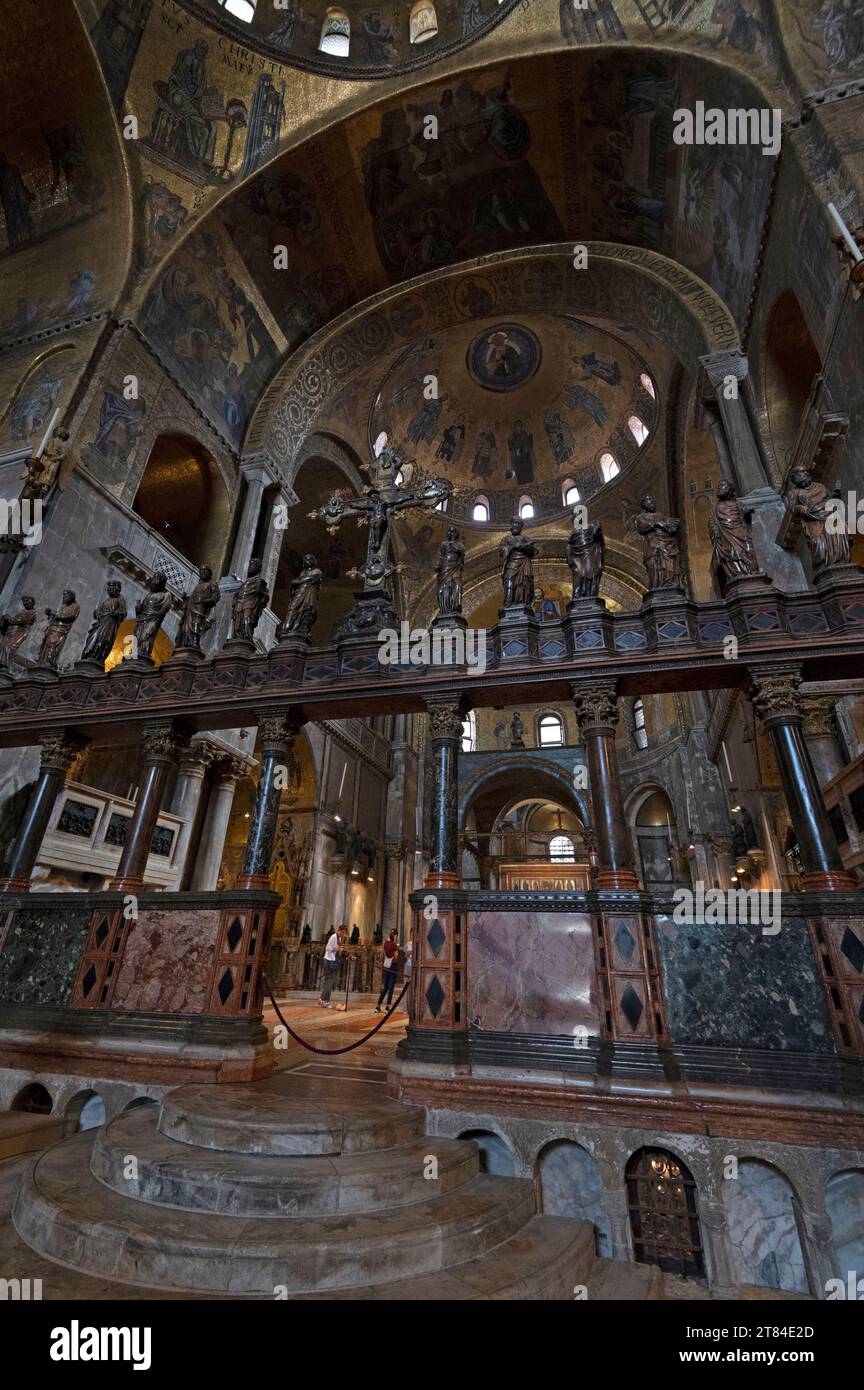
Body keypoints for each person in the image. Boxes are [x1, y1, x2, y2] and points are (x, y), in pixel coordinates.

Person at [319, 924, 346, 1008]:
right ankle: (325, 1001)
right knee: (329, 981)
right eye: (342, 932)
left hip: (332, 960)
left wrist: (342, 950)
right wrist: (338, 949)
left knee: (329, 981)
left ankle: (322, 999)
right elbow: (328, 948)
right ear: (339, 930)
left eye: (344, 933)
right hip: (328, 960)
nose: (343, 934)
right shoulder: (333, 937)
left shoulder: (340, 938)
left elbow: (337, 950)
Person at [375, 930, 400, 1013]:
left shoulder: (385, 943)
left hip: (386, 966)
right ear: (395, 936)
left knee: (385, 986)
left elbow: (384, 953)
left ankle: (378, 1006)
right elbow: (396, 956)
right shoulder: (394, 945)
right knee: (391, 987)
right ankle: (387, 1007)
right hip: (393, 966)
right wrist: (394, 960)